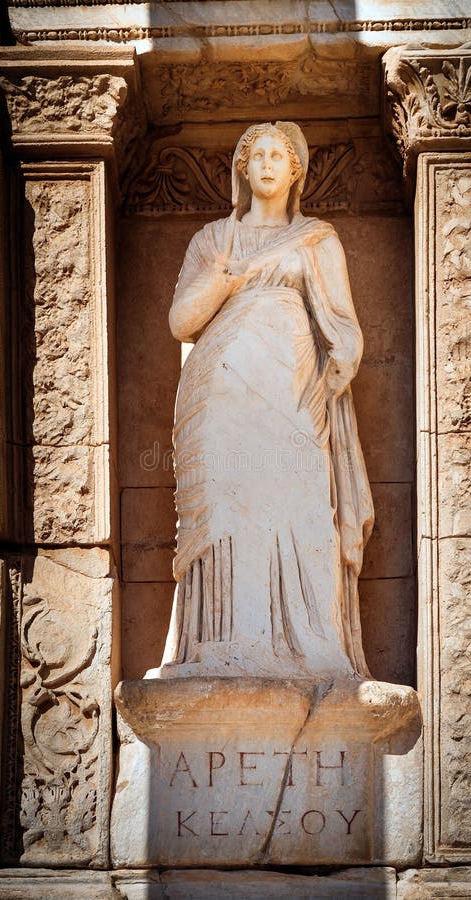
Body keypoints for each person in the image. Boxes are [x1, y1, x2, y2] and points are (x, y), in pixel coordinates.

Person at [155, 121, 374, 679]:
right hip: (219, 391)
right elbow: (182, 321)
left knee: (302, 498)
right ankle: (229, 641)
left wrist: (345, 354)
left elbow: (343, 321)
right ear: (243, 169)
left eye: (280, 156)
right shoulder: (212, 240)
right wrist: (227, 280)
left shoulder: (317, 238)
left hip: (294, 383)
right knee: (230, 503)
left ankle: (315, 640)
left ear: (295, 171)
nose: (269, 164)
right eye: (258, 156)